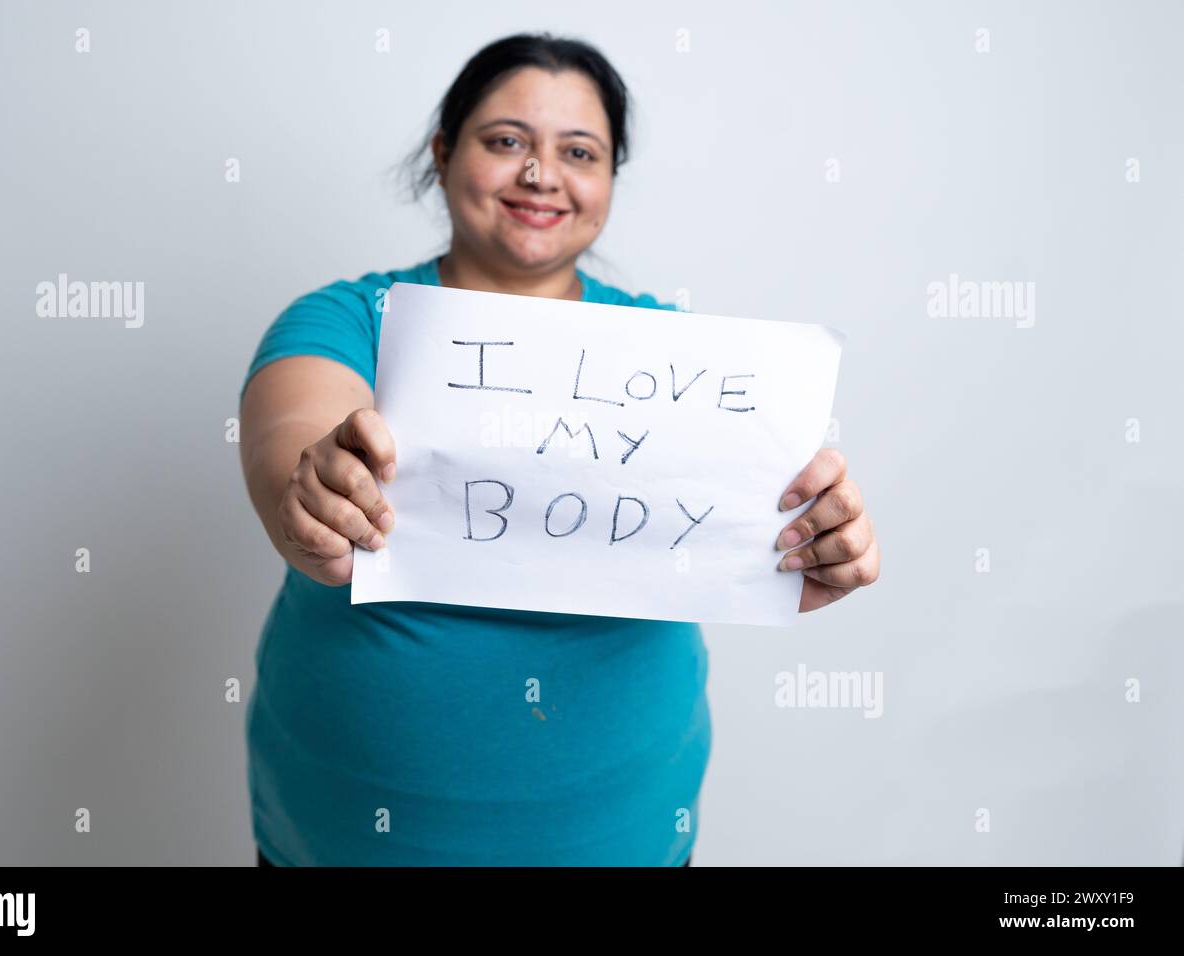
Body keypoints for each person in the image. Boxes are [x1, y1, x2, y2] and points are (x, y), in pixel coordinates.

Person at [238, 32, 880, 867]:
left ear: (610, 178)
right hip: (347, 839)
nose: (541, 174)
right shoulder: (346, 319)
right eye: (506, 141)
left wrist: (811, 548)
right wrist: (311, 499)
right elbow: (291, 453)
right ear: (443, 152)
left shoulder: (678, 356)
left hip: (620, 838)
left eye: (579, 151)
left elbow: (740, 531)